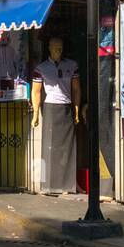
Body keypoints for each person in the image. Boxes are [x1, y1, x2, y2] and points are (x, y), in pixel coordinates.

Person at [31, 35, 81, 195]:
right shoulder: (41, 68)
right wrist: (36, 114)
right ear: (49, 48)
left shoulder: (72, 66)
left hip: (66, 107)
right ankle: (49, 185)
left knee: (68, 148)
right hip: (51, 107)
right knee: (50, 147)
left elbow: (76, 89)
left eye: (61, 46)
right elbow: (36, 91)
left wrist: (77, 109)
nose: (59, 49)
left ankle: (68, 185)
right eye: (55, 46)